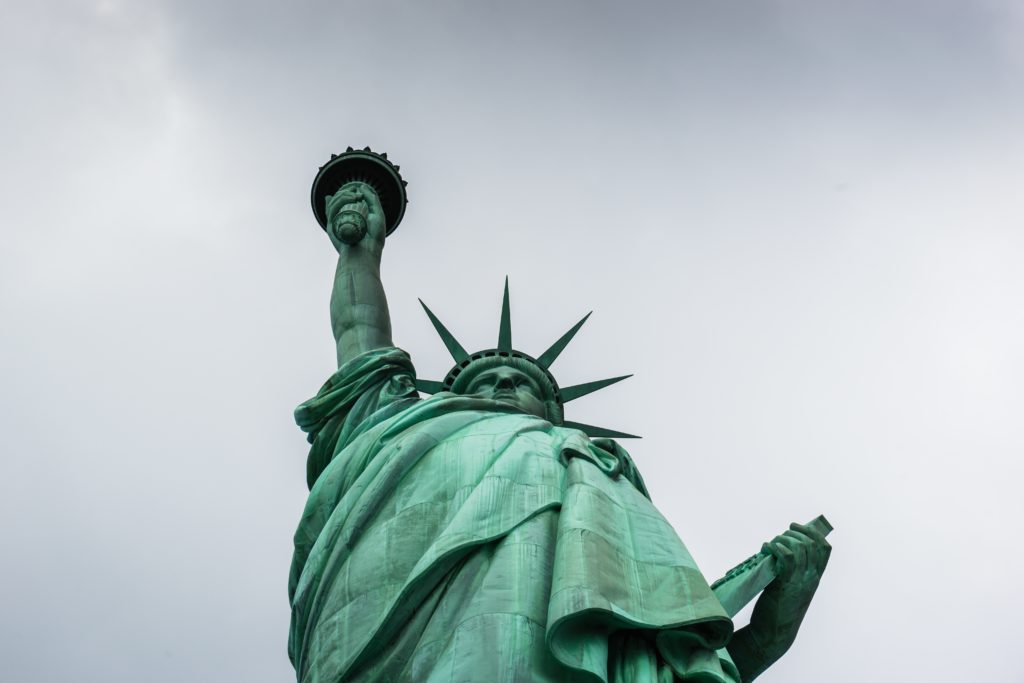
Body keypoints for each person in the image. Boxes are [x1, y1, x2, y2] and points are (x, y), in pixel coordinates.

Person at [288, 183, 830, 682]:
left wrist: (776, 622)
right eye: (486, 380)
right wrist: (359, 253)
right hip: (383, 636)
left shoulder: (591, 470)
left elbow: (663, 655)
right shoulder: (401, 429)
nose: (502, 385)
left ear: (551, 411)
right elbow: (360, 336)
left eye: (520, 383)